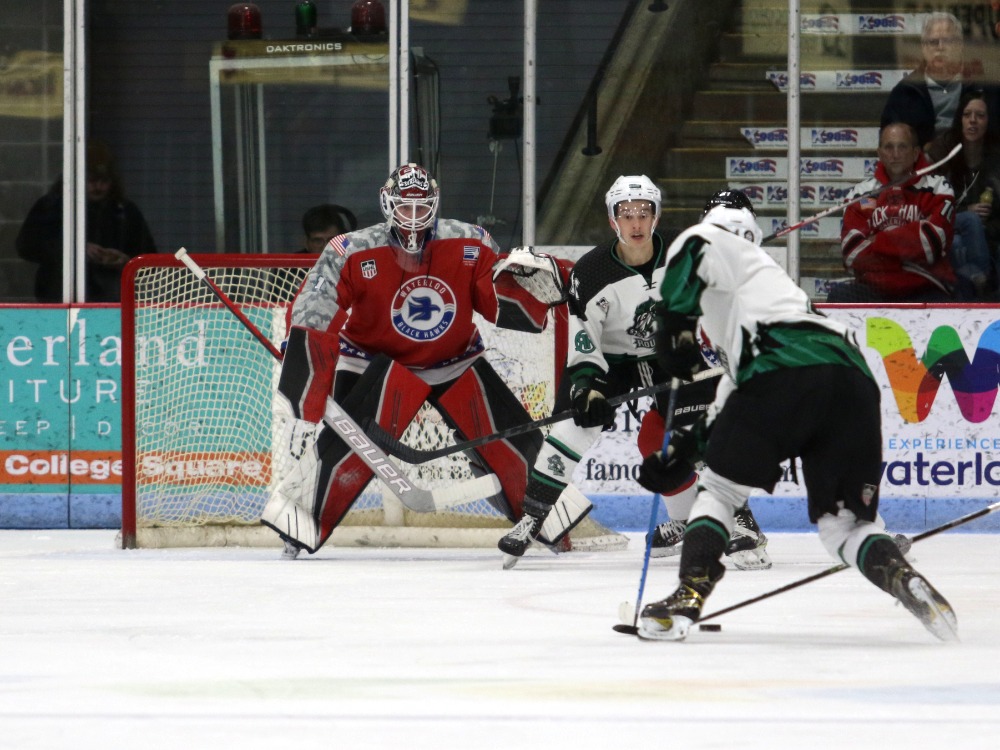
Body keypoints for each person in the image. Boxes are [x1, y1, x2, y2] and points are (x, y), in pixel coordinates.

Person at [635, 192, 957, 643]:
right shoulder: (775, 295)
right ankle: (906, 580)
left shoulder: (713, 241)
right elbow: (733, 396)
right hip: (850, 378)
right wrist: (683, 455)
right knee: (845, 527)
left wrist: (674, 323)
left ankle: (689, 593)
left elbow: (695, 247)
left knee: (722, 490)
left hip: (779, 368)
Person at [259, 162, 576, 559]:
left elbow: (497, 302)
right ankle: (298, 523)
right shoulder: (351, 250)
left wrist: (539, 285)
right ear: (387, 205)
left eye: (421, 207)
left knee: (511, 443)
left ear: (435, 205)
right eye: (405, 207)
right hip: (375, 362)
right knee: (346, 448)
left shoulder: (470, 241)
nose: (413, 217)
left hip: (456, 359)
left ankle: (549, 523)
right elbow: (314, 312)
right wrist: (303, 381)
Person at [495, 178, 771, 571]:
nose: (636, 223)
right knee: (573, 426)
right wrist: (587, 388)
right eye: (627, 215)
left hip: (670, 353)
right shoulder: (591, 272)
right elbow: (584, 339)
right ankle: (532, 517)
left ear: (656, 216)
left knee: (672, 437)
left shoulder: (683, 250)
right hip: (613, 360)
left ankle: (736, 522)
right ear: (613, 221)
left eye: (644, 213)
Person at [16, 140, 157, 302]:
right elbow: (26, 246)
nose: (98, 187)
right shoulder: (52, 207)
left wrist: (125, 261)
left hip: (113, 299)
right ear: (76, 178)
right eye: (91, 181)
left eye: (104, 181)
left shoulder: (125, 212)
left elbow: (149, 258)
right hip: (58, 298)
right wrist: (72, 250)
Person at [832, 122, 957, 302]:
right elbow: (852, 252)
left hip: (924, 286)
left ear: (915, 153)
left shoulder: (938, 188)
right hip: (875, 288)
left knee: (944, 306)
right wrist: (910, 242)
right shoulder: (860, 193)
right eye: (889, 147)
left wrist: (878, 241)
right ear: (879, 153)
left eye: (902, 147)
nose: (895, 154)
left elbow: (932, 242)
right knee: (840, 296)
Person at [880, 12, 997, 150]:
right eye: (933, 42)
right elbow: (889, 149)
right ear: (923, 48)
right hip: (924, 166)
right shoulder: (905, 93)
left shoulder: (983, 86)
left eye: (947, 41)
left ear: (960, 45)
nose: (940, 47)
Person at [929, 88, 1000, 298]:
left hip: (988, 238)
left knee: (966, 237)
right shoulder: (946, 153)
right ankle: (982, 282)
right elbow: (930, 208)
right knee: (967, 223)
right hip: (950, 229)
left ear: (988, 121)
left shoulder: (995, 161)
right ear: (959, 119)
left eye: (980, 116)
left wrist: (987, 225)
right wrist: (966, 210)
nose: (973, 121)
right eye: (967, 115)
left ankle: (974, 283)